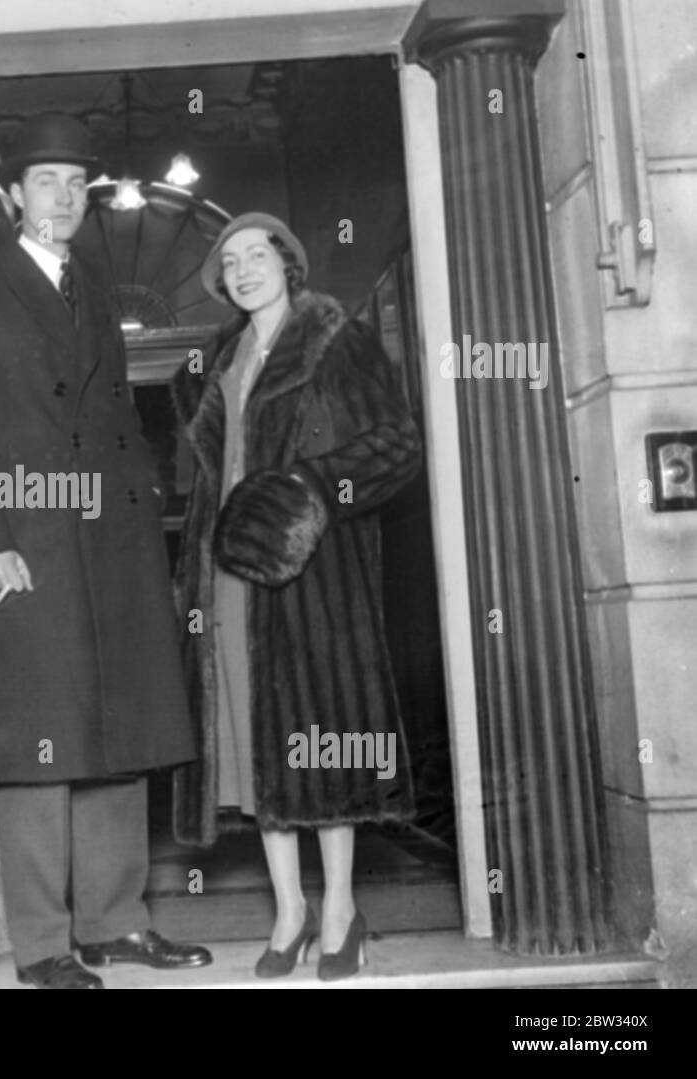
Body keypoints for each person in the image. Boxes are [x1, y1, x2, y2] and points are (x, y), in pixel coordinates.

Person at [0, 114, 212, 989]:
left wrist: (147, 502)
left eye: (76, 184)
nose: (64, 197)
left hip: (111, 547)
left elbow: (116, 421)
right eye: (46, 181)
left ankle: (115, 923)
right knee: (40, 742)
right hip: (28, 547)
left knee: (118, 732)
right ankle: (44, 946)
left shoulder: (88, 287)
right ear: (13, 196)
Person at [170, 211, 421, 981]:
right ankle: (290, 911)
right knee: (257, 748)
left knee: (321, 737)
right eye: (230, 261)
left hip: (315, 576)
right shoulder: (220, 357)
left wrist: (311, 490)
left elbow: (397, 445)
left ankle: (341, 909)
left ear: (289, 260)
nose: (244, 268)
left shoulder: (335, 340)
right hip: (230, 578)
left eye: (257, 254)